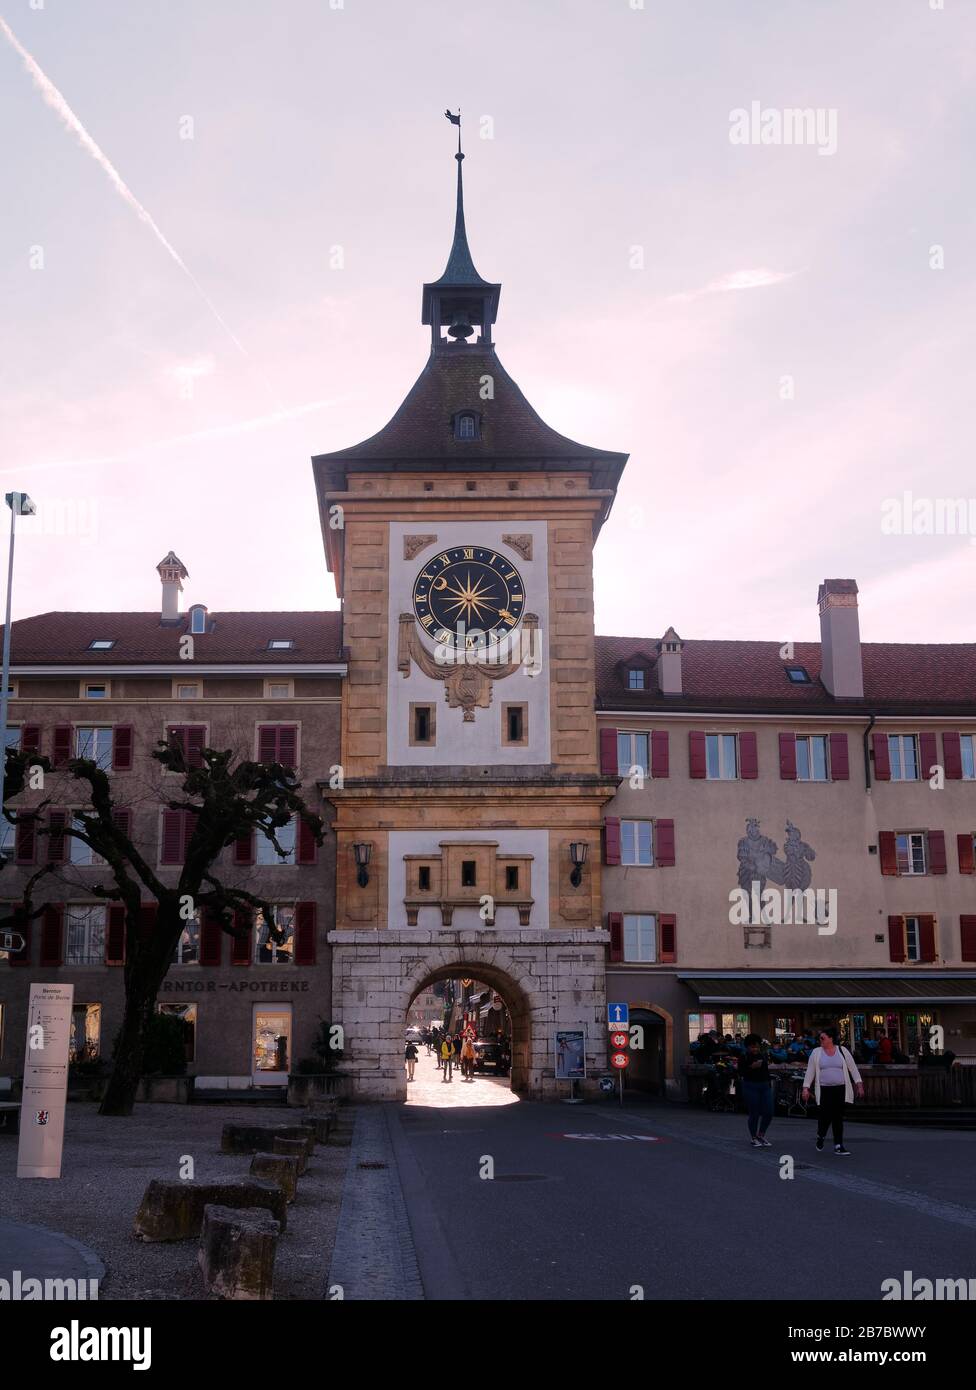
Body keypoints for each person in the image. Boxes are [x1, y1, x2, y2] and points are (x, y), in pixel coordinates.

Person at [802, 1026, 864, 1155]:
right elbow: (810, 1071)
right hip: (824, 1089)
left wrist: (859, 1085)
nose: (821, 1040)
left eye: (823, 1038)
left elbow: (853, 1068)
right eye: (820, 1038)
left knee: (838, 1116)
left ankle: (838, 1145)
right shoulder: (816, 1052)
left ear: (830, 1038)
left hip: (840, 1088)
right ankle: (821, 1135)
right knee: (825, 1116)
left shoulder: (842, 1050)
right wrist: (806, 1088)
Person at [737, 1034, 774, 1147]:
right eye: (752, 1047)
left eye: (757, 1047)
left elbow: (766, 1071)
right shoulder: (744, 1057)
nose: (755, 1049)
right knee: (755, 1113)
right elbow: (741, 1072)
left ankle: (761, 1134)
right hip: (750, 1085)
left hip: (764, 1085)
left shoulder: (762, 1055)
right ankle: (753, 1137)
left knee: (769, 1112)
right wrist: (751, 1067)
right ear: (747, 1047)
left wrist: (768, 1083)